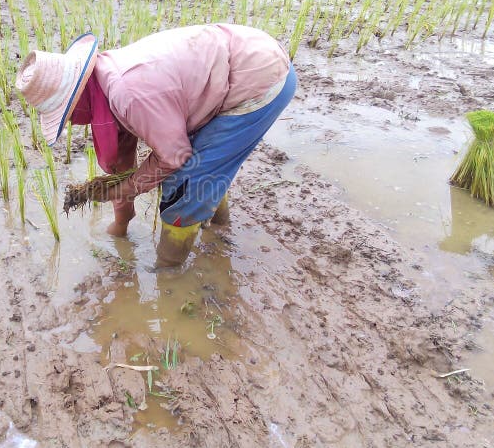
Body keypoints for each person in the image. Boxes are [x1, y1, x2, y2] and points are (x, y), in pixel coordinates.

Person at [16, 23, 297, 267]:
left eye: (66, 115)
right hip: (237, 61)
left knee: (183, 189)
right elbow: (123, 164)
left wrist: (125, 188)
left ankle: (169, 272)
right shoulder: (104, 82)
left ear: (75, 101)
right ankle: (220, 228)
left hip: (259, 79)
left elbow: (173, 156)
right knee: (206, 162)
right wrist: (120, 223)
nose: (73, 122)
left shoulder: (128, 95)